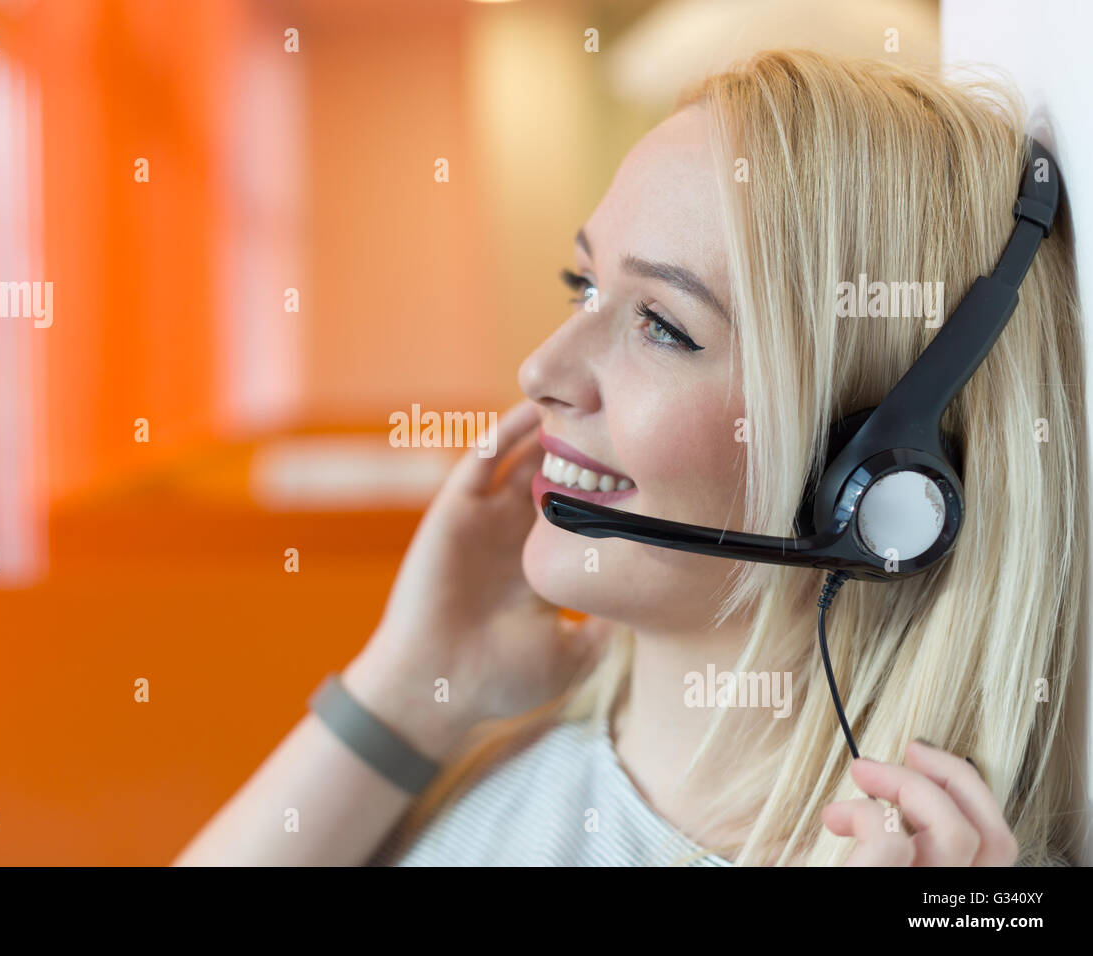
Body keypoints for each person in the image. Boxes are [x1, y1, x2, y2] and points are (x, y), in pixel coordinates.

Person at [175, 49, 1086, 867]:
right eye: (585, 286)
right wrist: (408, 689)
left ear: (875, 476)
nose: (541, 369)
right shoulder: (484, 756)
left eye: (662, 324)